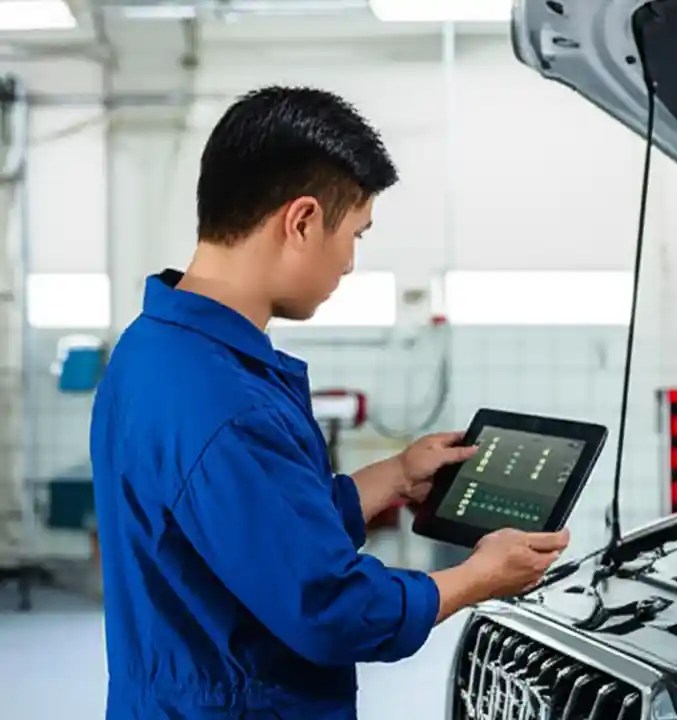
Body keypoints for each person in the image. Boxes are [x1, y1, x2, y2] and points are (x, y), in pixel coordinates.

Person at [88, 86, 570, 719]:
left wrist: (394, 477)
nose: (349, 262)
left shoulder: (152, 349)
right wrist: (479, 577)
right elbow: (328, 608)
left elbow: (257, 536)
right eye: (355, 234)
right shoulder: (227, 402)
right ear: (303, 220)